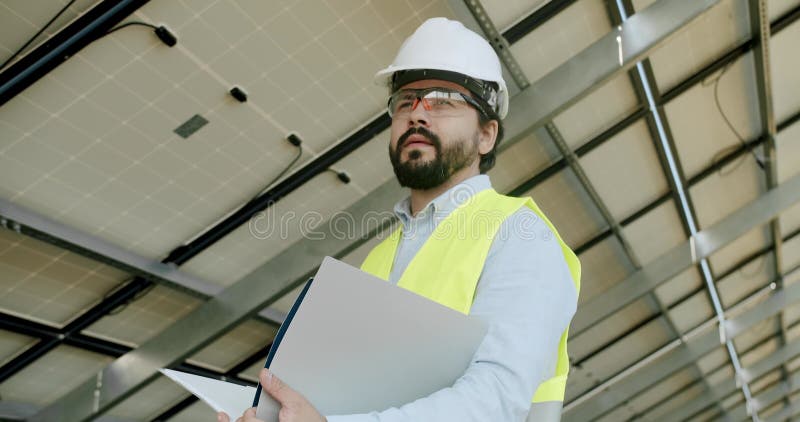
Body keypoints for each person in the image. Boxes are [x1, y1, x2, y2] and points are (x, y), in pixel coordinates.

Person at [219, 17, 580, 422]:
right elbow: (349, 395)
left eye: (443, 101)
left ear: (486, 135)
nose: (417, 115)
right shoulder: (379, 258)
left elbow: (496, 400)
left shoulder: (521, 236)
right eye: (405, 101)